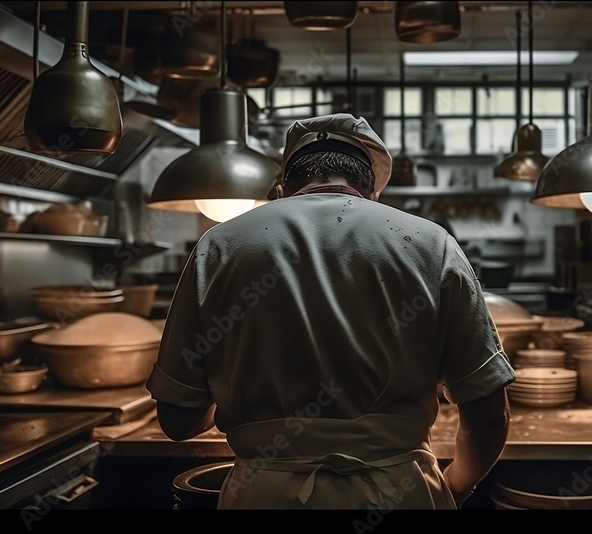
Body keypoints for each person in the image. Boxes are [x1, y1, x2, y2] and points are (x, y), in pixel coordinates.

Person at [146, 113, 515, 510]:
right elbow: (488, 414)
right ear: (371, 192)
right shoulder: (433, 243)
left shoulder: (217, 246)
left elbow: (177, 420)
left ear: (284, 187)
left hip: (264, 494)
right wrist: (456, 487)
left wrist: (234, 399)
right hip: (400, 490)